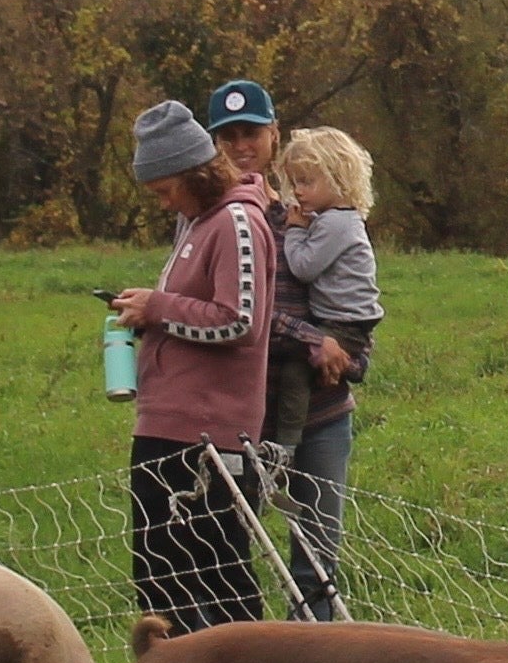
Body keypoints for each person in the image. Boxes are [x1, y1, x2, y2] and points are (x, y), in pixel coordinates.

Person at [110, 100, 276, 631]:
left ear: (192, 173)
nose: (162, 204)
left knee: (217, 579)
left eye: (164, 191)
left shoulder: (236, 223)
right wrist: (147, 316)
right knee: (159, 577)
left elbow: (240, 322)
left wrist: (157, 309)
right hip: (167, 423)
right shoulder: (197, 223)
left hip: (206, 437)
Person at [203, 80, 363, 618]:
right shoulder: (217, 220)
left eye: (251, 133)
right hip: (241, 413)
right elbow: (236, 313)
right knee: (229, 552)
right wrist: (312, 338)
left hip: (321, 411)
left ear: (273, 135)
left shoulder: (314, 210)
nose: (240, 146)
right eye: (227, 138)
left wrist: (342, 344)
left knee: (317, 560)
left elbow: (350, 293)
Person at [271, 124, 383, 618]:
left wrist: (294, 229)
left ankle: (286, 445)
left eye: (307, 183)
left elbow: (302, 267)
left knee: (299, 373)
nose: (299, 193)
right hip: (337, 322)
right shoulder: (338, 218)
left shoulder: (333, 224)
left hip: (346, 323)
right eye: (295, 182)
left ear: (338, 180)